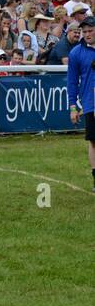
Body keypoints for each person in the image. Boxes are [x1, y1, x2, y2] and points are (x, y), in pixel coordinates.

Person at [66, 16, 95, 190]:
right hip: (90, 103)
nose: (87, 34)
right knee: (93, 141)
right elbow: (71, 81)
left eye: (90, 31)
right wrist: (73, 107)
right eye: (84, 32)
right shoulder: (76, 53)